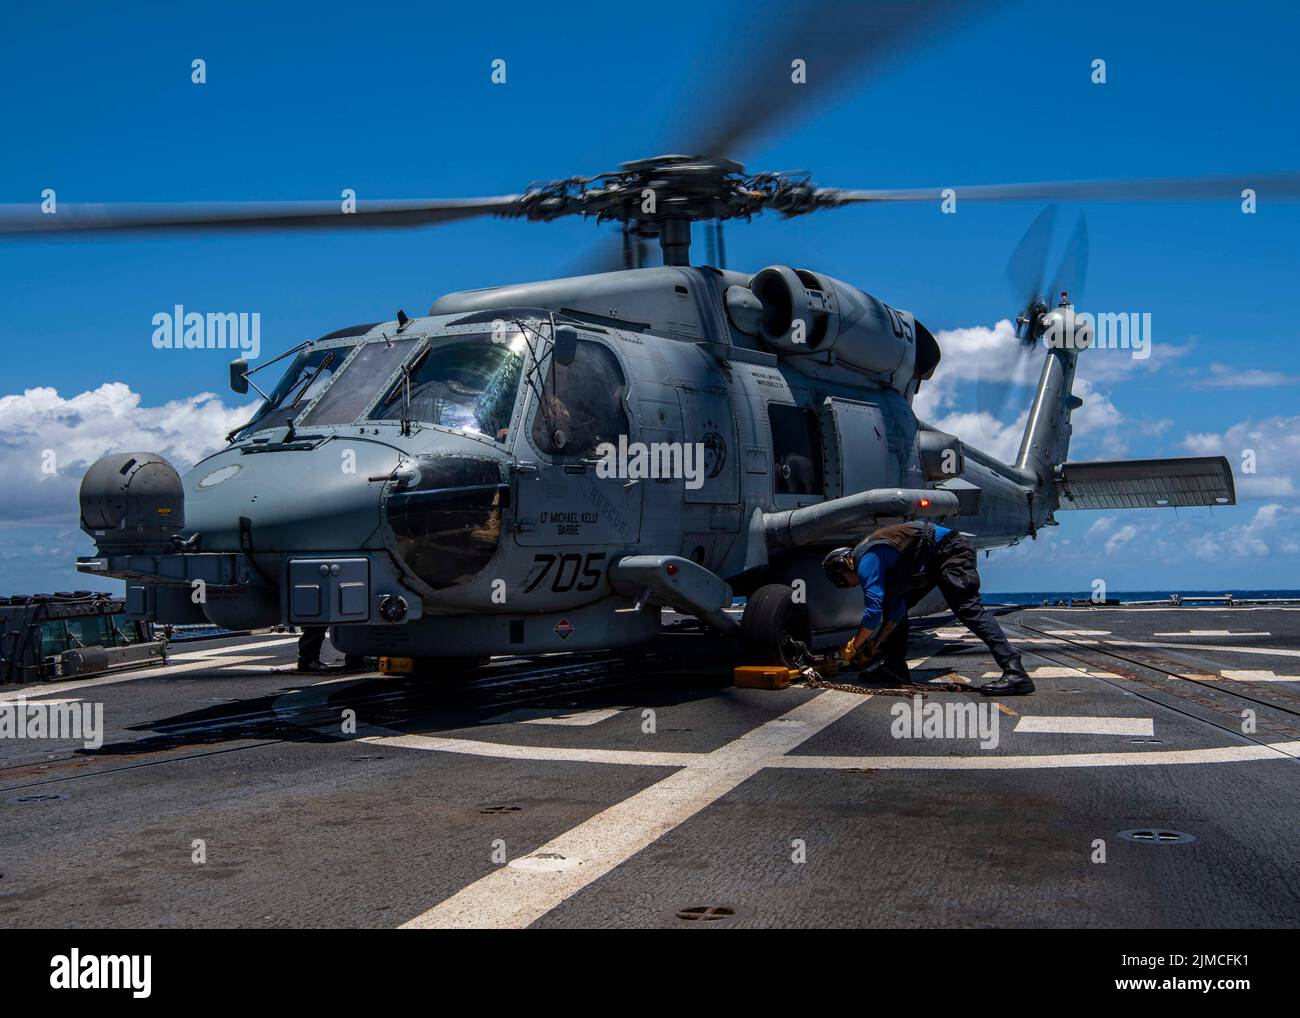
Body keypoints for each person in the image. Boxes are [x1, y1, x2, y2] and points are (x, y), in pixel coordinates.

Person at [821, 521, 1035, 695]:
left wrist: (854, 645)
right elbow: (894, 613)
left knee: (968, 609)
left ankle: (1015, 671)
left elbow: (872, 611)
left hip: (950, 550)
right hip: (932, 557)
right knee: (894, 611)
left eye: (846, 582)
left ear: (842, 566)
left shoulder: (866, 560)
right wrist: (876, 643)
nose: (853, 585)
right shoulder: (882, 564)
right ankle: (894, 669)